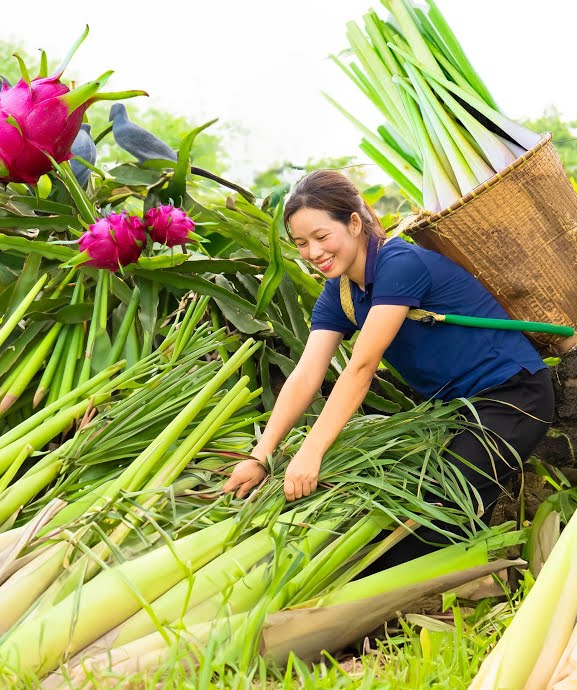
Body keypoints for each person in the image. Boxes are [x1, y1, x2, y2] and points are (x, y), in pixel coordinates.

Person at [222, 169, 556, 571]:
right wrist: (260, 455)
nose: (313, 252)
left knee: (433, 511)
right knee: (400, 504)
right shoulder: (340, 293)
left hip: (513, 396)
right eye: (301, 243)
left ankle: (462, 580)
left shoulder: (399, 264)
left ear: (354, 223)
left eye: (322, 236)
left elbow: (361, 367)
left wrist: (310, 452)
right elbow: (306, 374)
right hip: (456, 413)